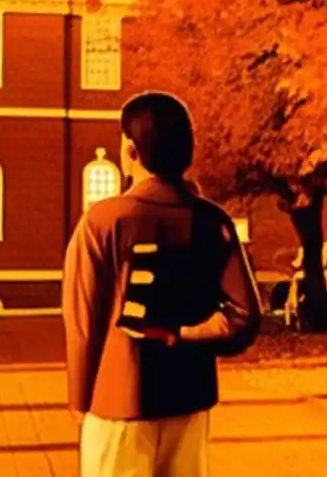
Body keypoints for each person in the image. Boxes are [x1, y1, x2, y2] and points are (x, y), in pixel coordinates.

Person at [64, 91, 262, 477]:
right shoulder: (212, 221)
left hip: (117, 398)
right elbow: (245, 317)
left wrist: (80, 398)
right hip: (190, 398)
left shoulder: (103, 222)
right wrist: (185, 334)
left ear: (131, 150)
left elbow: (83, 324)